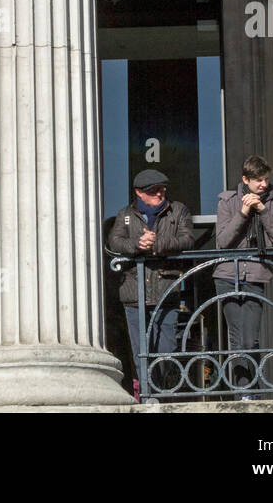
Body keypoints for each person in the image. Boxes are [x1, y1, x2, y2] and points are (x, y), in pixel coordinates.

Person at [108, 169, 194, 395]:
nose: (159, 194)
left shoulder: (178, 210)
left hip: (166, 291)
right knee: (140, 351)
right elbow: (115, 242)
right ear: (139, 193)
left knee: (166, 349)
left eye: (162, 189)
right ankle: (148, 396)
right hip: (134, 294)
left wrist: (156, 244)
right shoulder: (125, 214)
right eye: (153, 190)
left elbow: (187, 239)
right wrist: (137, 245)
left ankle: (159, 390)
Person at [214, 155, 273, 398]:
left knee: (250, 338)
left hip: (256, 274)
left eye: (266, 179)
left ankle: (251, 393)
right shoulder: (228, 200)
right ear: (245, 179)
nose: (264, 185)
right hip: (227, 274)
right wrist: (244, 212)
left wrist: (263, 211)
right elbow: (223, 242)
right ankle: (243, 394)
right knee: (236, 339)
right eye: (258, 180)